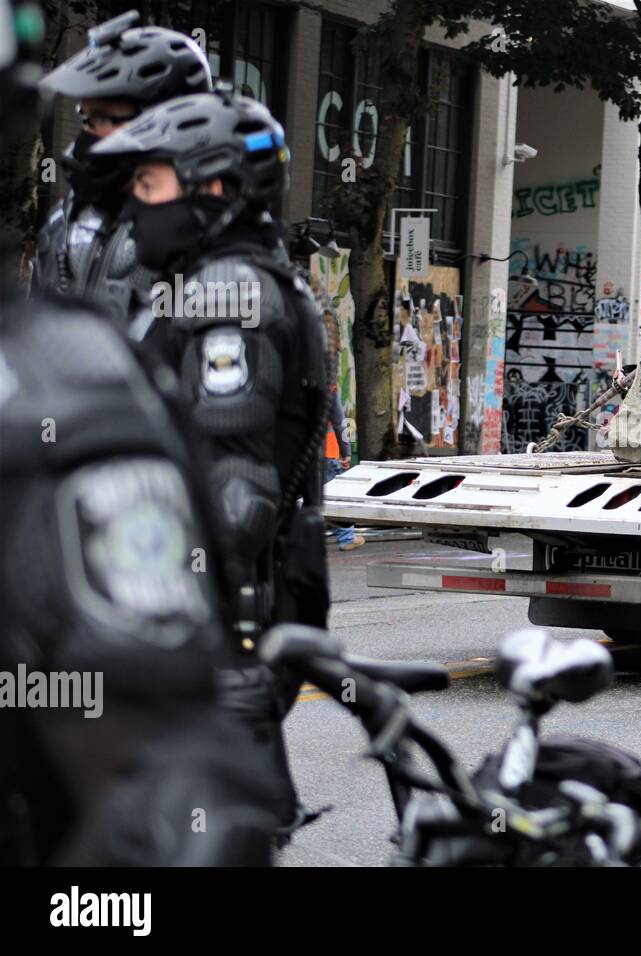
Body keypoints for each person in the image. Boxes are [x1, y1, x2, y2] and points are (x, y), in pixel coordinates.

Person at [0, 0, 277, 864]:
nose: (92, 141)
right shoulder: (70, 222)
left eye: (110, 121)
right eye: (85, 120)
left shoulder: (186, 253)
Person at [90, 86, 332, 836]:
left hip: (221, 627)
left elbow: (237, 498)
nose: (136, 208)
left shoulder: (228, 292)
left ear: (217, 187)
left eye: (151, 185)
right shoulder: (224, 280)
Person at [31, 9, 213, 331]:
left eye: (103, 118)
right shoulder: (67, 221)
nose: (87, 134)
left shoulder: (208, 241)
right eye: (85, 117)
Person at [325, 379, 365, 551]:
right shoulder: (329, 386)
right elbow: (340, 422)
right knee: (335, 496)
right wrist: (346, 451)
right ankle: (346, 537)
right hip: (326, 451)